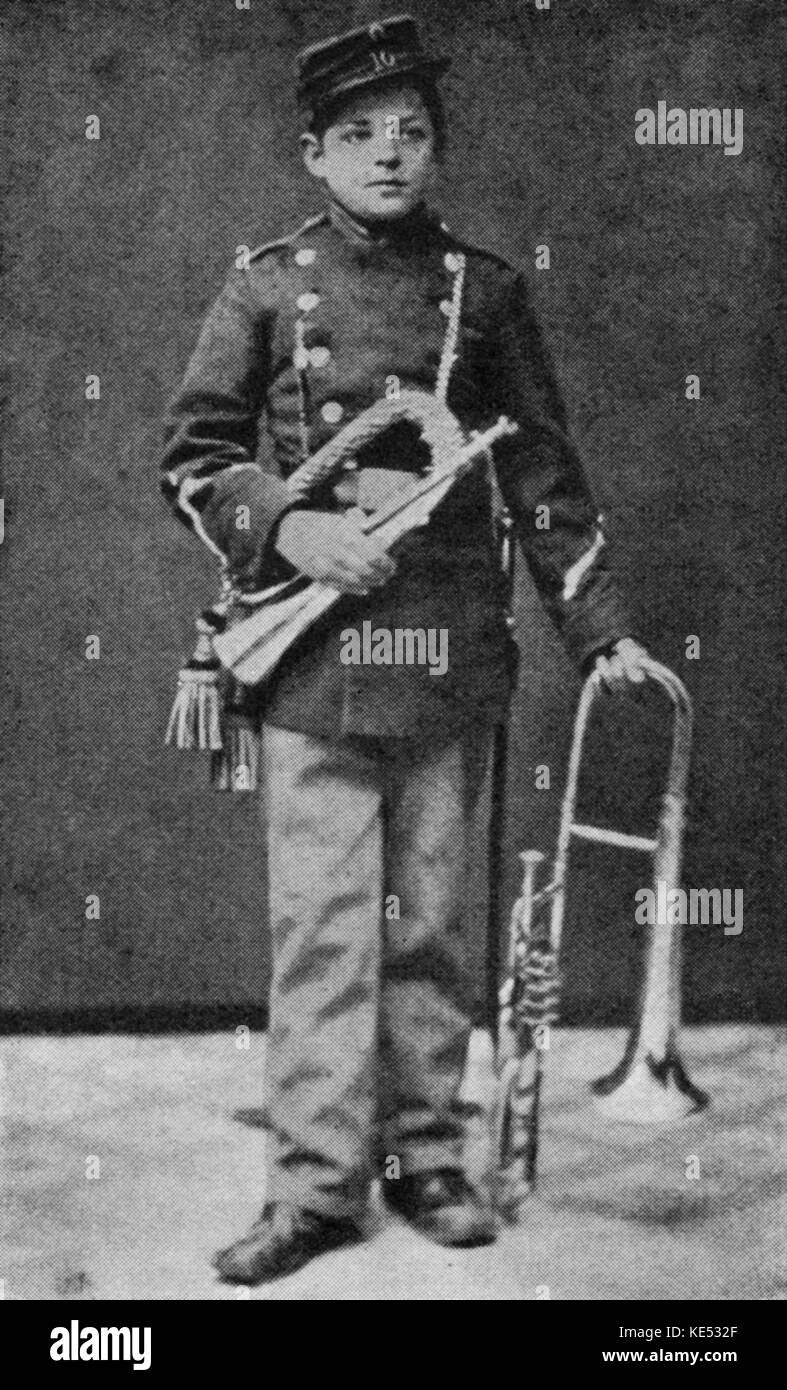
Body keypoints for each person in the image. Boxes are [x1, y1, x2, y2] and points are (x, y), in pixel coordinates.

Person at [161, 14, 649, 1285]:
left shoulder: (485, 291)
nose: (389, 153)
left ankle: (426, 1157)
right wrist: (296, 526)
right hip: (312, 658)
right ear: (313, 153)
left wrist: (597, 630)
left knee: (431, 923)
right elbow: (195, 458)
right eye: (360, 134)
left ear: (435, 147)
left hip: (446, 660)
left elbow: (540, 471)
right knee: (322, 932)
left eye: (412, 131)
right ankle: (317, 1188)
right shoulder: (266, 283)